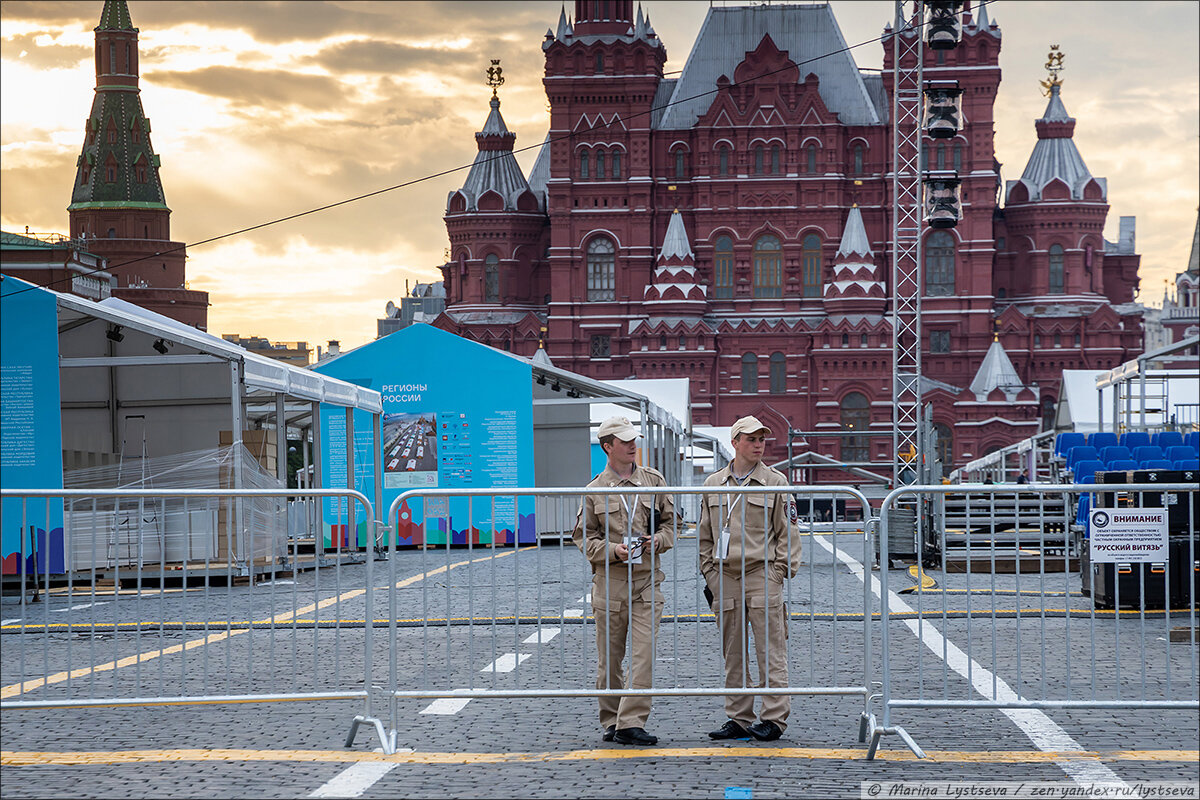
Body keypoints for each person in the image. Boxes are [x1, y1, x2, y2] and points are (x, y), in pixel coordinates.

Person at [572, 416, 677, 746]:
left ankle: (631, 722)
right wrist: (612, 550)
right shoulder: (593, 491)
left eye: (634, 439)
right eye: (625, 441)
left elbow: (671, 527)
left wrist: (657, 541)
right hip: (610, 582)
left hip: (647, 582)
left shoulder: (654, 481)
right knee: (610, 661)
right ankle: (612, 719)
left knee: (644, 655)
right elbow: (584, 539)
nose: (633, 445)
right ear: (608, 447)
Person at [697, 416, 801, 742]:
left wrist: (779, 572)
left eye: (762, 439)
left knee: (771, 650)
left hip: (761, 573)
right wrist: (710, 574)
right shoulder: (713, 484)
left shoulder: (776, 482)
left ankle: (773, 718)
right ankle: (739, 717)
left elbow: (789, 533)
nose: (759, 445)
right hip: (725, 576)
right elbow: (704, 535)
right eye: (752, 439)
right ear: (735, 442)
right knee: (733, 652)